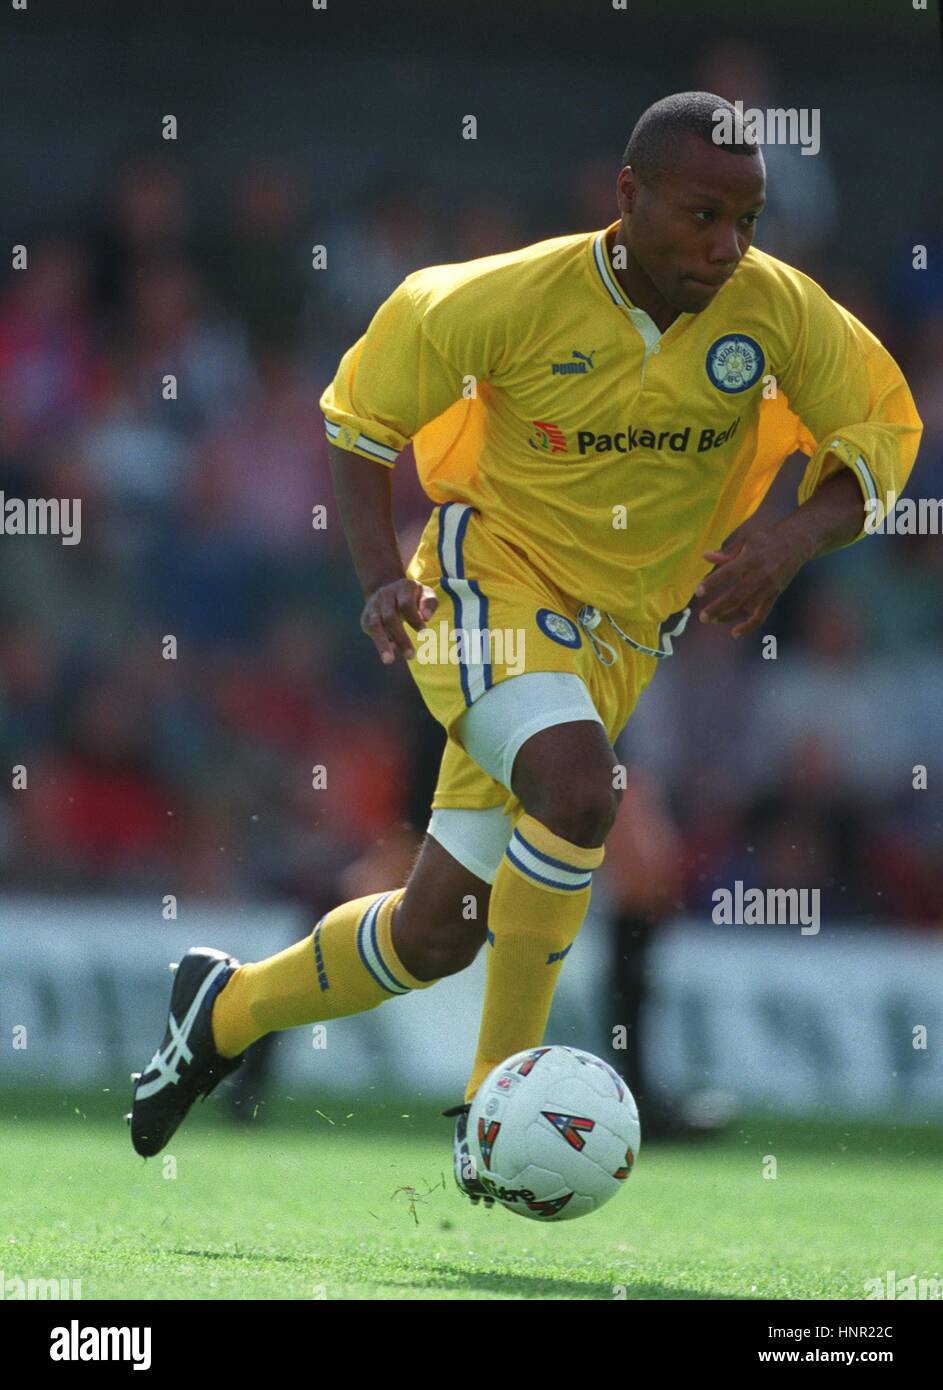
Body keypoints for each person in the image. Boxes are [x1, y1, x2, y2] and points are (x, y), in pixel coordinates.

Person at [128, 93, 922, 1207]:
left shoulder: (776, 311)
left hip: (621, 638)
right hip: (482, 588)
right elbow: (361, 417)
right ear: (628, 197)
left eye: (746, 219)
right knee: (579, 787)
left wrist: (786, 540)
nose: (726, 245)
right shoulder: (503, 298)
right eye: (701, 215)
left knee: (434, 931)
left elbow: (884, 433)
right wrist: (373, 579)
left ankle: (220, 1010)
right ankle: (494, 1102)